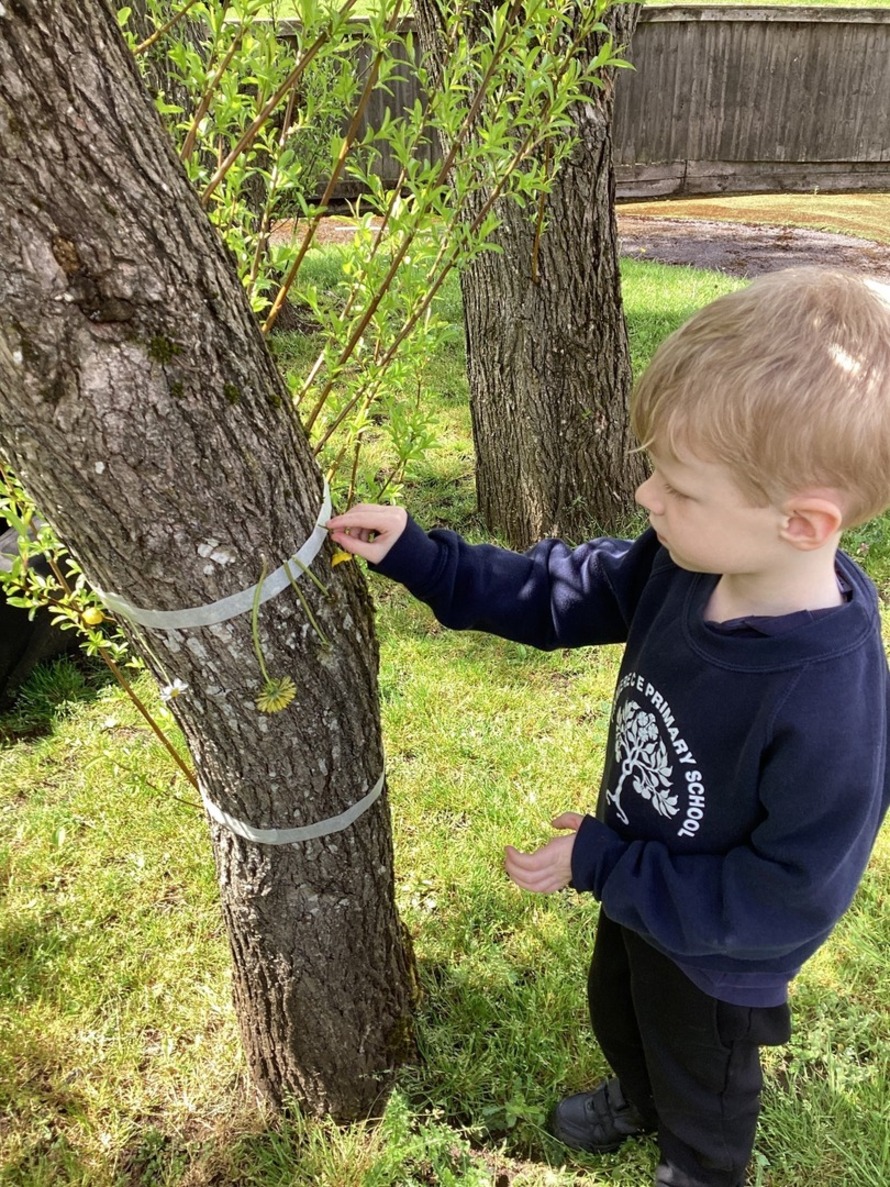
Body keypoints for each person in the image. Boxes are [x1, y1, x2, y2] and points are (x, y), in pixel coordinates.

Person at [327, 267, 890, 1187]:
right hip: (639, 882)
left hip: (722, 955)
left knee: (701, 1068)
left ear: (802, 522)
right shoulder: (685, 567)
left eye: (678, 485)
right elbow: (563, 594)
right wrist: (427, 558)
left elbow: (783, 896)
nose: (646, 495)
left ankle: (699, 1163)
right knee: (620, 1006)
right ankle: (637, 1095)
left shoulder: (831, 704)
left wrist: (606, 864)